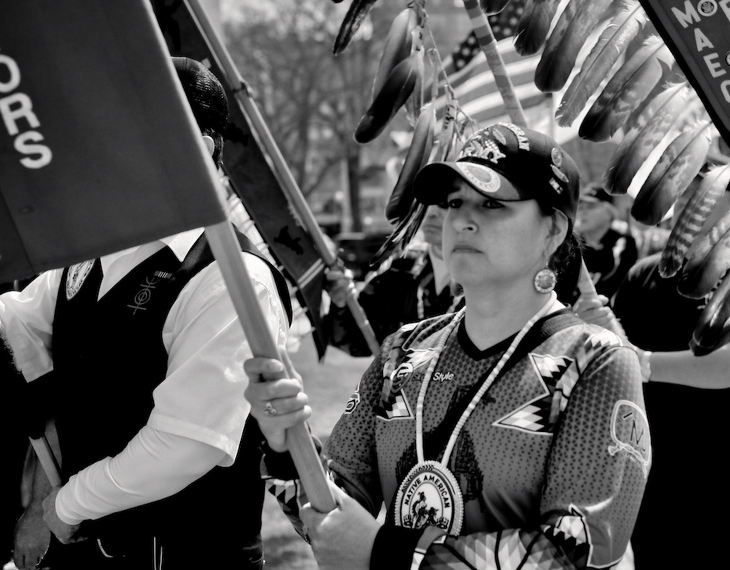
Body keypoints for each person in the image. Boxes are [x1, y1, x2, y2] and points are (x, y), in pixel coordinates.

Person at [246, 123, 651, 569]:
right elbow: (333, 523)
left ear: (553, 229)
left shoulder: (597, 359)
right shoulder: (402, 350)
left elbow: (580, 549)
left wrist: (391, 556)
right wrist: (286, 448)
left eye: (492, 204)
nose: (461, 219)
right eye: (454, 202)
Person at [0, 57, 291, 569]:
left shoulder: (232, 278)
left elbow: (184, 445)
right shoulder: (93, 254)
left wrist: (59, 507)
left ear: (201, 149)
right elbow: (11, 339)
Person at [612, 171, 730, 569]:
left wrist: (642, 362)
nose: (684, 204)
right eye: (679, 195)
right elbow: (612, 359)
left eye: (701, 198)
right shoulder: (642, 274)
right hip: (655, 486)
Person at [323, 205, 462, 356]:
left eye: (445, 203)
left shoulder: (488, 274)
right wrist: (342, 302)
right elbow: (357, 341)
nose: (431, 213)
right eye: (426, 202)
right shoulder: (401, 266)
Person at [575, 182, 639, 301]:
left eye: (591, 206)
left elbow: (616, 287)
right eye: (580, 207)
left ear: (609, 213)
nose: (582, 212)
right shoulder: (572, 245)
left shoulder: (623, 245)